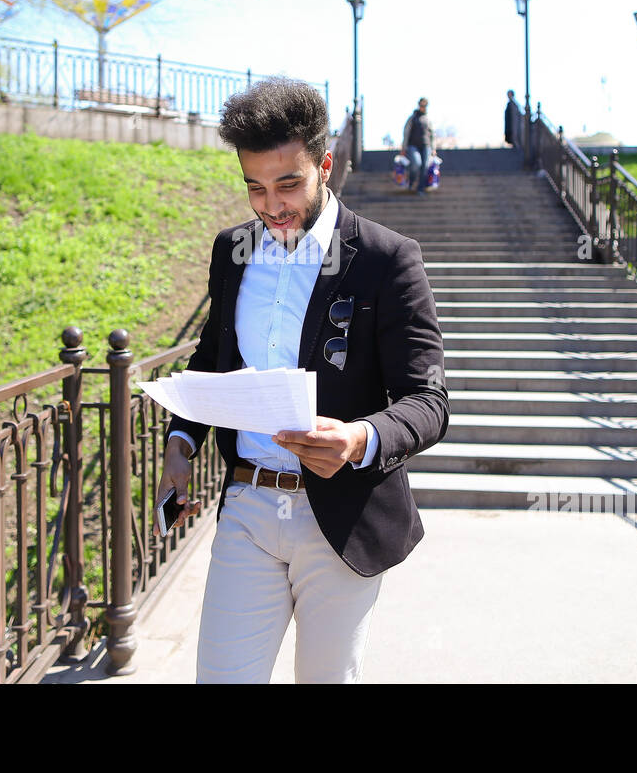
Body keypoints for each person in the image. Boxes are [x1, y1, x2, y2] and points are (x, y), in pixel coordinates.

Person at [155, 76, 450, 684]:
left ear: (326, 165)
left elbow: (429, 402)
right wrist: (181, 441)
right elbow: (211, 359)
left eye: (288, 183)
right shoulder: (230, 251)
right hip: (247, 504)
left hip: (342, 517)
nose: (272, 206)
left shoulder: (386, 258)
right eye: (255, 188)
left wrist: (358, 439)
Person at [401, 97, 435, 195]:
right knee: (416, 163)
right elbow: (406, 132)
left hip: (426, 146)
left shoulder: (428, 119)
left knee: (424, 167)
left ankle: (420, 188)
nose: (422, 107)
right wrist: (404, 147)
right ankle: (411, 182)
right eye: (421, 105)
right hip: (413, 145)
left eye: (424, 105)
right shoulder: (412, 118)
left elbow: (432, 135)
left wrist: (433, 148)